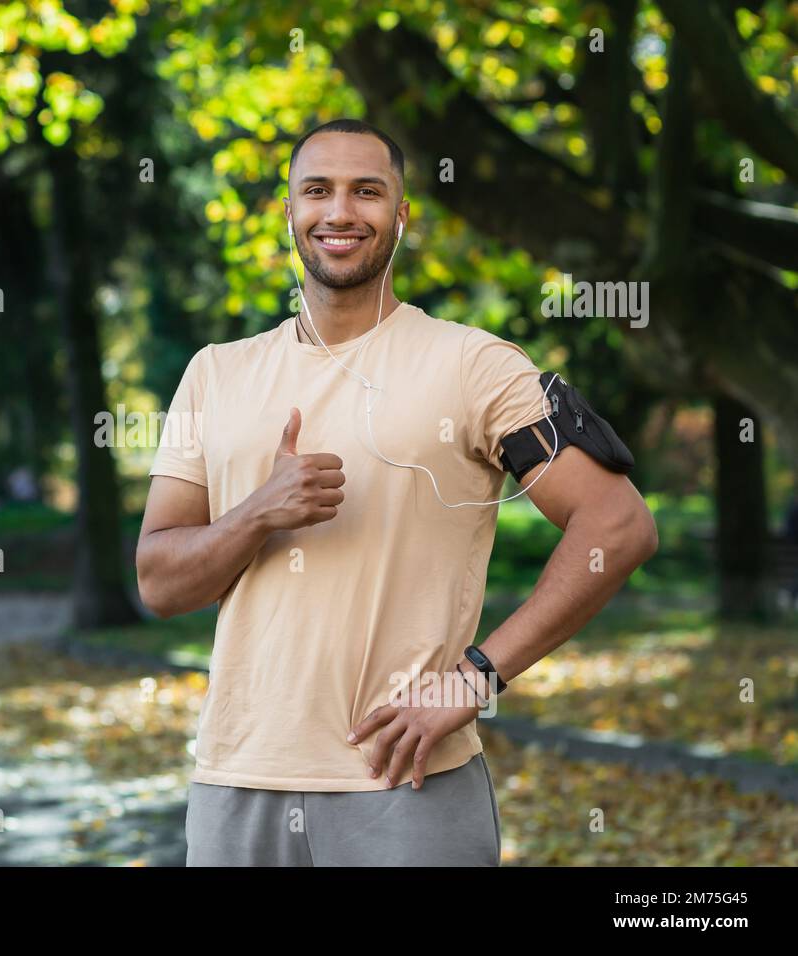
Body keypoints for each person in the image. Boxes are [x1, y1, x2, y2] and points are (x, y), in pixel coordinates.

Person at [136, 118, 659, 866]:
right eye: (317, 191)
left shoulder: (474, 366)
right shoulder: (215, 373)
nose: (340, 212)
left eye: (367, 192)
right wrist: (258, 513)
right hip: (234, 784)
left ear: (402, 215)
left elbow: (619, 525)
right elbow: (158, 580)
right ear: (288, 213)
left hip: (406, 785)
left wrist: (476, 679)